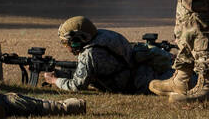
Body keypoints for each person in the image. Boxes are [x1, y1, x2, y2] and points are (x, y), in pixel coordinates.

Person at [43, 17, 173, 94]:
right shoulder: (104, 35)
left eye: (68, 43)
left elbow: (77, 86)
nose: (68, 47)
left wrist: (54, 80)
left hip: (141, 84)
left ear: (80, 39)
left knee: (185, 84)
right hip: (146, 71)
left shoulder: (89, 54)